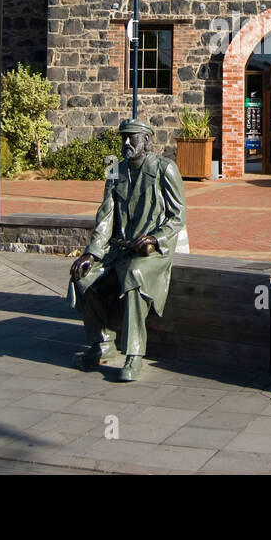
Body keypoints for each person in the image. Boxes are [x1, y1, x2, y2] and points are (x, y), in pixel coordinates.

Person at [68, 118, 186, 381]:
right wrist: (92, 252)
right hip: (117, 250)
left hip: (151, 252)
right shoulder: (115, 170)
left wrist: (155, 239)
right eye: (123, 137)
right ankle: (102, 344)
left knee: (134, 275)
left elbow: (178, 217)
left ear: (146, 140)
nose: (125, 142)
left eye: (131, 137)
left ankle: (134, 355)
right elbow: (106, 215)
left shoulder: (165, 169)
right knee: (84, 276)